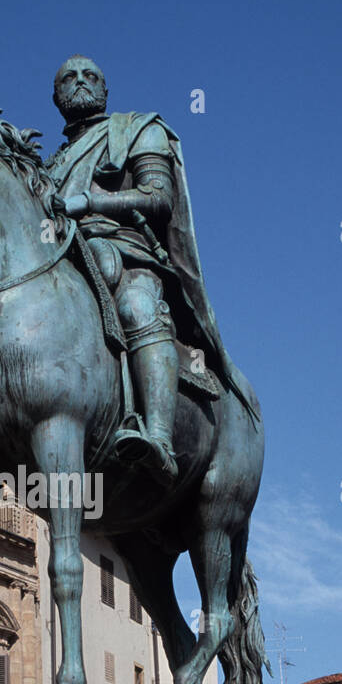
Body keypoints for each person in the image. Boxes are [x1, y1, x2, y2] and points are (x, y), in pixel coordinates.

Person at [47, 55, 253, 486]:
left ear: (105, 90)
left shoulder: (138, 129)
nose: (80, 82)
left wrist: (92, 202)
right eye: (69, 78)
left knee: (138, 307)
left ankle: (159, 437)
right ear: (56, 97)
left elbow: (158, 196)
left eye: (91, 76)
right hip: (67, 257)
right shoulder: (52, 165)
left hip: (128, 254)